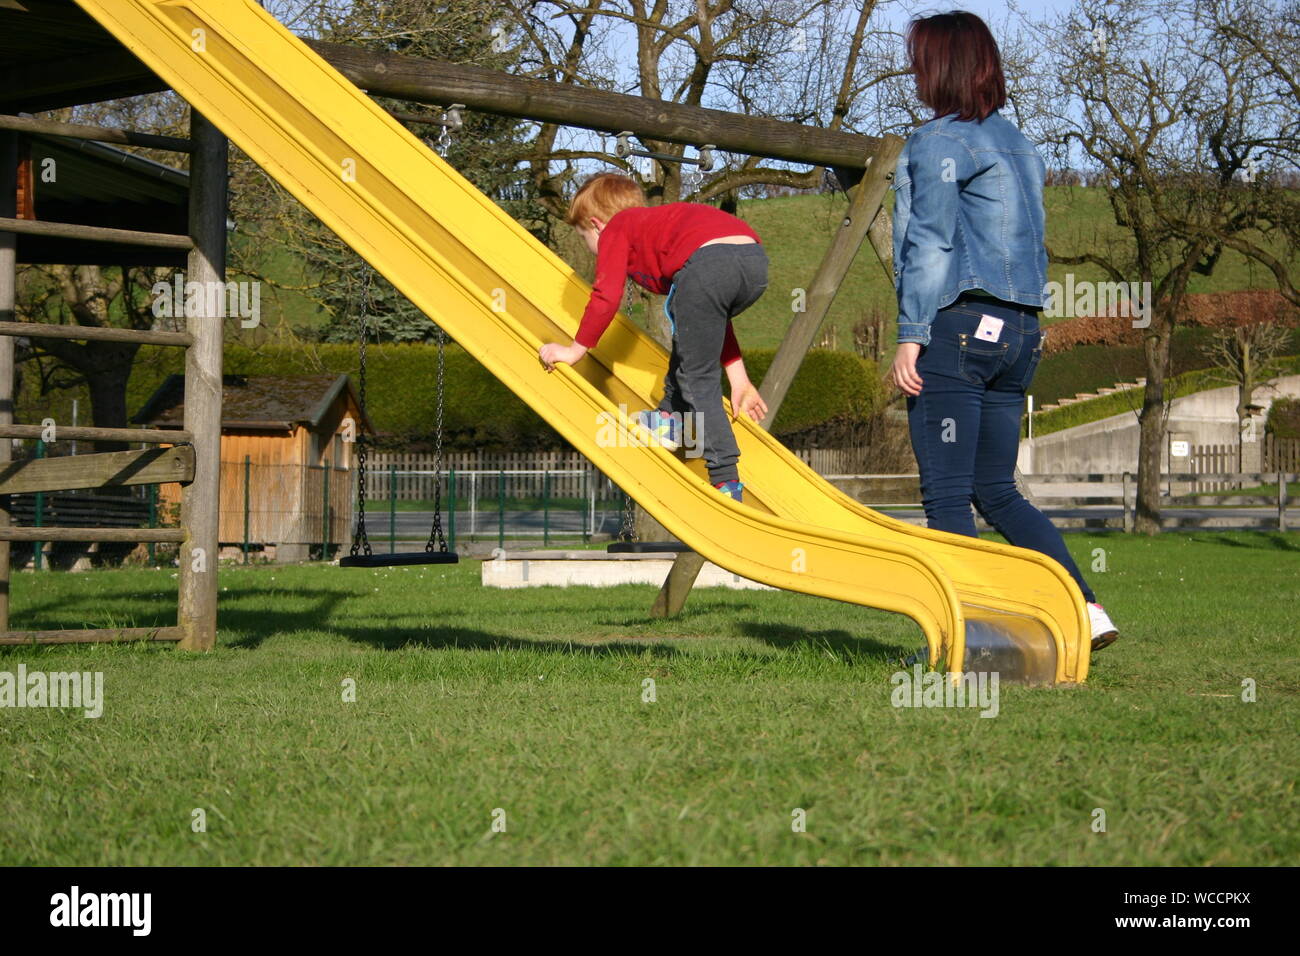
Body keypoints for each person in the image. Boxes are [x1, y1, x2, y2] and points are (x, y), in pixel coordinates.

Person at [888, 11, 1119, 650]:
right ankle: (1086, 608)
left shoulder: (938, 141)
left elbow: (930, 243)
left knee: (947, 500)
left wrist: (911, 332)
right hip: (1021, 332)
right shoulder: (1020, 143)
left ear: (941, 67)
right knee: (996, 490)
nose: (914, 70)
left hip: (959, 327)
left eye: (919, 59)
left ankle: (984, 641)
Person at [539, 173, 769, 501]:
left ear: (596, 224)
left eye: (583, 237)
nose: (590, 249)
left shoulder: (617, 227)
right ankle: (667, 419)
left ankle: (725, 478)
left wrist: (575, 350)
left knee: (697, 381)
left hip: (709, 266)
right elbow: (708, 320)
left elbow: (606, 295)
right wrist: (739, 380)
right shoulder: (658, 228)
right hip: (754, 263)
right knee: (689, 334)